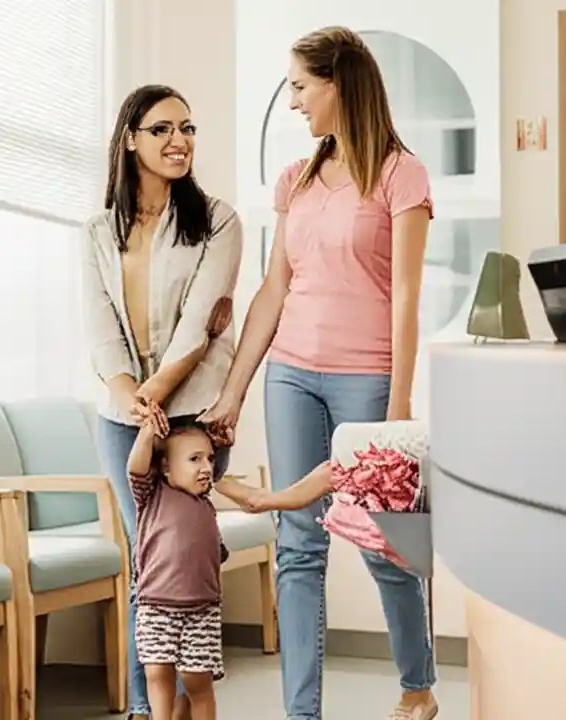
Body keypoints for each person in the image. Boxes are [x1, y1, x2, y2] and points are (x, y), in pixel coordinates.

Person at [201, 26, 439, 720]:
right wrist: (236, 390)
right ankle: (301, 715)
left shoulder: (402, 175)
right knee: (299, 546)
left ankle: (417, 687)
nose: (296, 100)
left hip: (366, 379)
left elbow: (406, 299)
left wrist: (397, 404)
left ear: (340, 84)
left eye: (303, 86)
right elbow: (275, 288)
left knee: (380, 543)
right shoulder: (294, 180)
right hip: (292, 375)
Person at [81, 83, 244, 720]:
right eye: (162, 130)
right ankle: (149, 711)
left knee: (179, 557)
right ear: (130, 139)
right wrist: (130, 397)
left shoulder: (219, 220)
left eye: (188, 128)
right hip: (125, 417)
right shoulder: (96, 231)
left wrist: (156, 393)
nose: (180, 141)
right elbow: (99, 328)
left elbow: (201, 322)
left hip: (194, 412)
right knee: (145, 564)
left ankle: (176, 708)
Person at [127, 404, 228, 720]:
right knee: (157, 672)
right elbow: (136, 467)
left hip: (201, 610)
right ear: (167, 468)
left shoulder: (206, 507)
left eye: (209, 459)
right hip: (156, 605)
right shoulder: (152, 494)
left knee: (198, 681)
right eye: (195, 459)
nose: (206, 467)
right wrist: (147, 433)